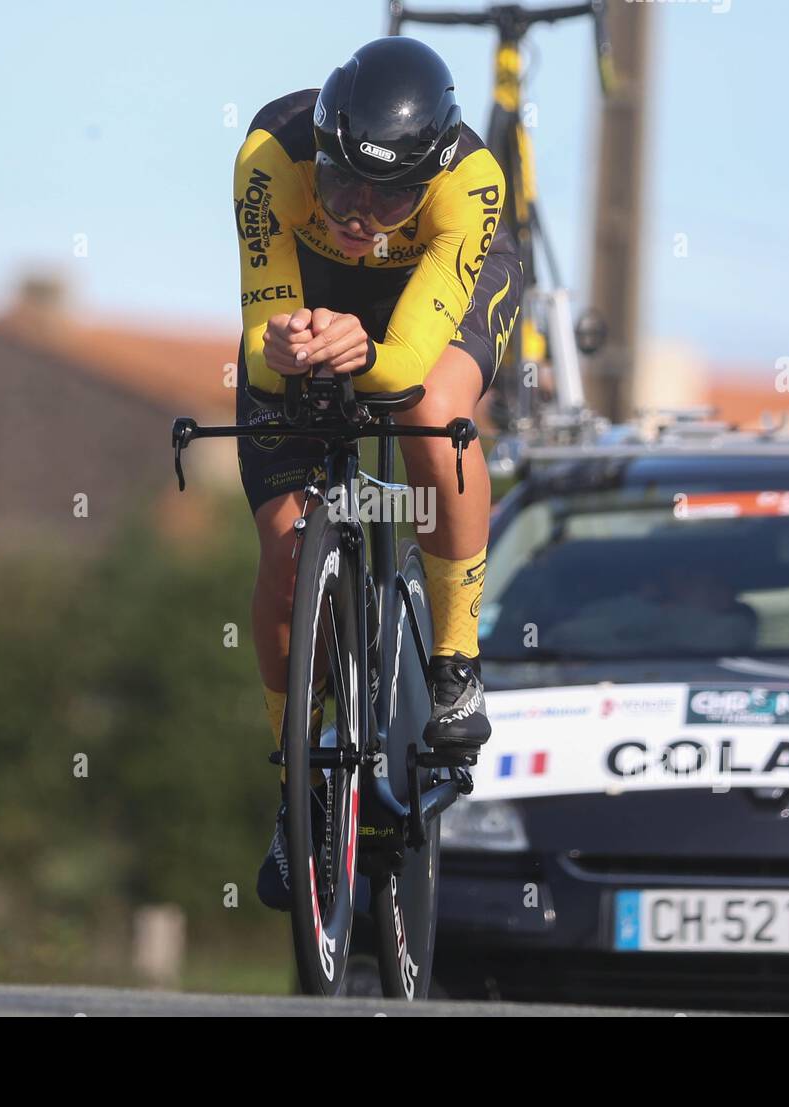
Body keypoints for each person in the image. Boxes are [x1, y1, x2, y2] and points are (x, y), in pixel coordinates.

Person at [231, 37, 522, 909]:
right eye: (343, 182)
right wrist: (285, 342)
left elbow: (400, 370)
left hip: (433, 305)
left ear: (429, 177)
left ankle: (453, 657)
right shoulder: (268, 156)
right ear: (319, 147)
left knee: (432, 408)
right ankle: (298, 787)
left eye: (390, 192)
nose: (359, 211)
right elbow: (261, 348)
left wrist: (366, 351)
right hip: (314, 295)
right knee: (286, 554)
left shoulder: (471, 184)